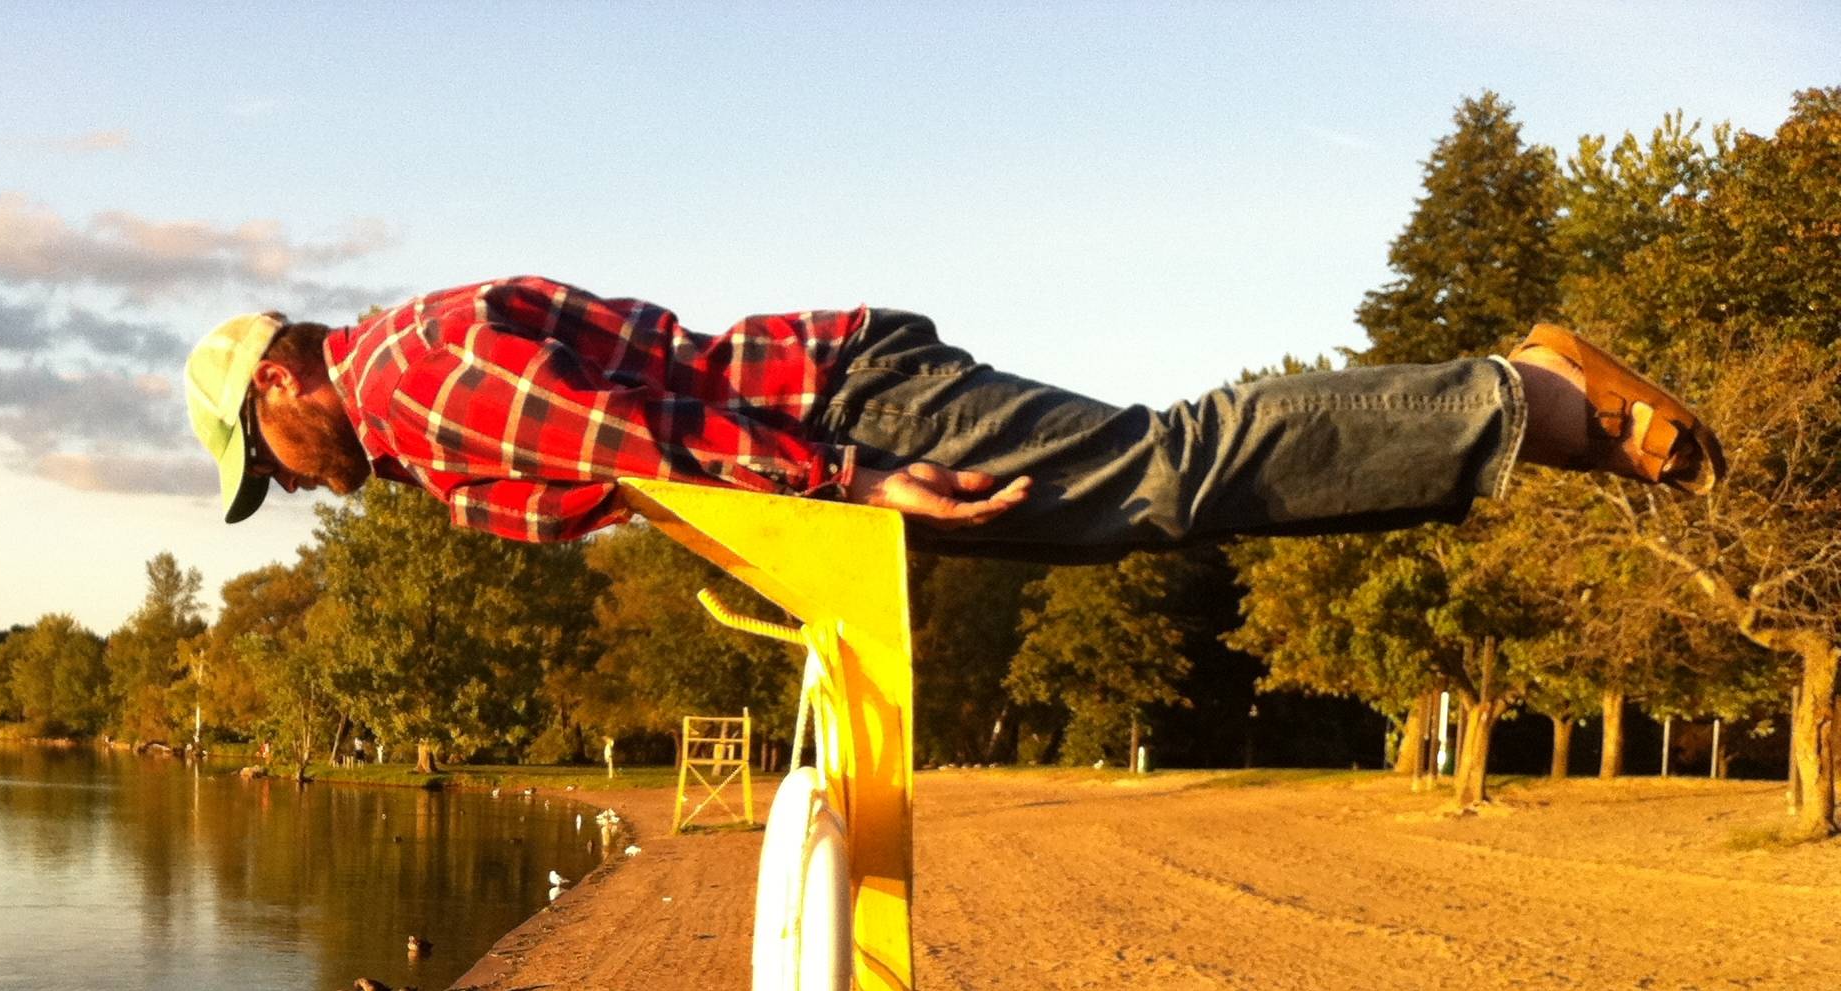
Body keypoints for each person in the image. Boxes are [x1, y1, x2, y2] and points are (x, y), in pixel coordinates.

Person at [183, 279, 1723, 560]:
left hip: (842, 411)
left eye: (273, 461)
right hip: (824, 433)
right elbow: (649, 487)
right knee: (1155, 504)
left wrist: (855, 485)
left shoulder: (405, 377)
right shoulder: (410, 410)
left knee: (1163, 465)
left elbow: (636, 446)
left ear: (281, 385)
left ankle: (1532, 397)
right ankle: (1518, 416)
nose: (298, 487)